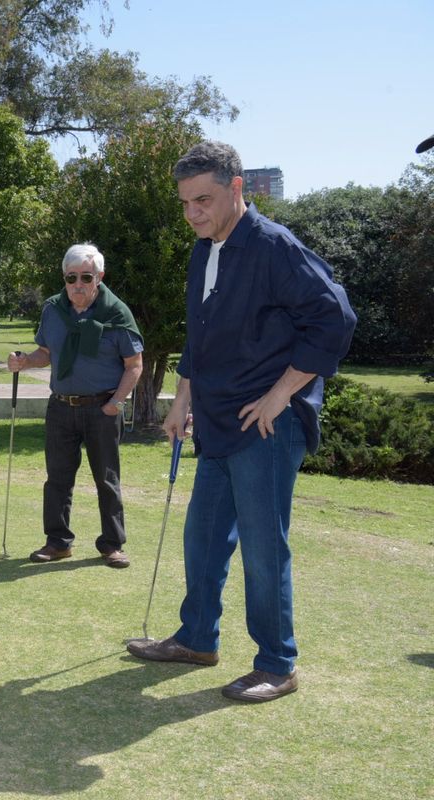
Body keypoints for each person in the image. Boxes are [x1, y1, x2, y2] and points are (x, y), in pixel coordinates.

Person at [126, 141, 357, 703]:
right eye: (184, 203)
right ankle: (197, 639)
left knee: (261, 547)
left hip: (267, 426)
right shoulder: (203, 250)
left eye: (203, 200)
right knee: (203, 537)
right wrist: (182, 400)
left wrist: (280, 397)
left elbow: (336, 319)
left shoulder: (275, 247)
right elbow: (199, 338)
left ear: (237, 189)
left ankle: (278, 664)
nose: (192, 214)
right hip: (218, 420)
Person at [8, 244, 142, 568]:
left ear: (99, 277)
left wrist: (116, 403)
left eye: (86, 277)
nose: (77, 284)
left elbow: (134, 363)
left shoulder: (116, 313)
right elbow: (46, 354)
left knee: (106, 479)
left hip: (102, 409)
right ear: (64, 278)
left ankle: (112, 544)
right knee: (57, 479)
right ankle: (58, 542)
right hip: (61, 408)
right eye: (71, 277)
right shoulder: (53, 309)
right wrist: (25, 361)